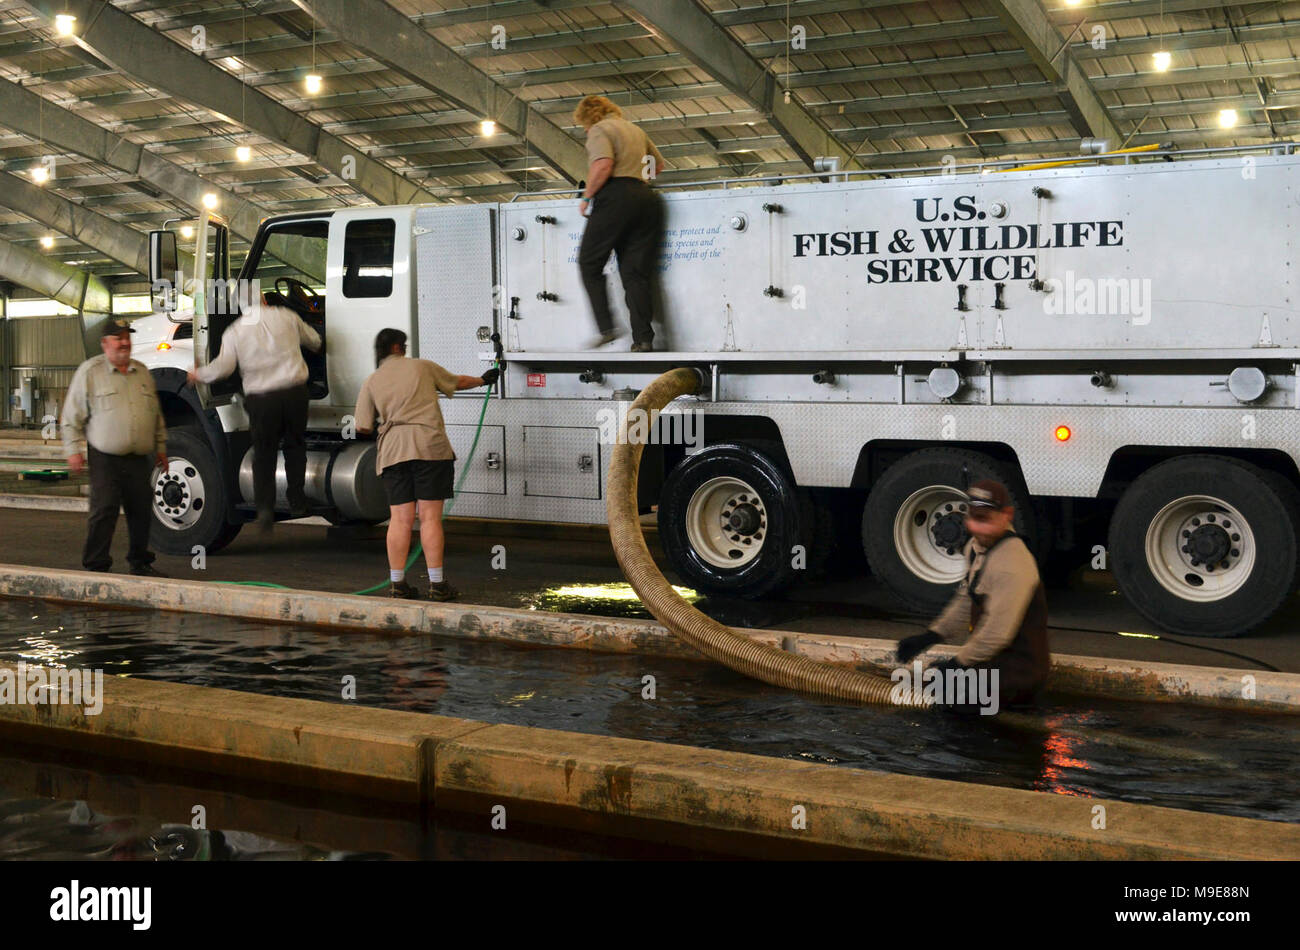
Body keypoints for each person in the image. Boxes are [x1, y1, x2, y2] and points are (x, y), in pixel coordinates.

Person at [354, 329, 500, 600]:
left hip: (394, 452)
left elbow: (362, 425)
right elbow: (456, 382)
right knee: (430, 518)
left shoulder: (372, 380)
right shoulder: (422, 367)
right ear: (398, 346)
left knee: (400, 519)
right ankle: (437, 585)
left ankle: (398, 584)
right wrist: (484, 379)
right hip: (429, 447)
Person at [895, 479, 1050, 712]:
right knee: (929, 687)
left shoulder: (1012, 565)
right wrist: (931, 635)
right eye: (973, 519)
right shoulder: (975, 548)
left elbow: (997, 634)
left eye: (985, 520)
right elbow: (966, 600)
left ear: (1006, 515)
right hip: (992, 663)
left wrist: (957, 664)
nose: (976, 528)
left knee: (945, 705)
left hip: (1018, 673)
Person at [188, 285, 321, 531]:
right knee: (295, 446)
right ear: (263, 299)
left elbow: (223, 368)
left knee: (264, 453)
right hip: (295, 394)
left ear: (240, 305)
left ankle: (265, 509)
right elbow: (315, 342)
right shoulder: (287, 316)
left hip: (262, 399)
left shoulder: (235, 331)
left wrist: (199, 374)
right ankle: (297, 501)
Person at [62, 318, 169, 577]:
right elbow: (71, 414)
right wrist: (72, 450)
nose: (124, 342)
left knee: (141, 507)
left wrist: (161, 447)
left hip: (138, 456)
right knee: (105, 508)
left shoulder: (142, 371)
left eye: (126, 337)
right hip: (105, 456)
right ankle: (96, 565)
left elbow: (155, 413)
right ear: (105, 343)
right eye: (118, 338)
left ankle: (140, 562)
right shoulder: (90, 371)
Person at [573, 94, 666, 353]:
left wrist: (586, 196)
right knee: (635, 273)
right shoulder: (636, 130)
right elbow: (657, 165)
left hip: (616, 197)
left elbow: (603, 165)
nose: (586, 131)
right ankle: (643, 339)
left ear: (589, 117)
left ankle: (606, 327)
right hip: (646, 199)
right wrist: (639, 181)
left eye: (584, 126)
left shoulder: (600, 129)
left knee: (589, 262)